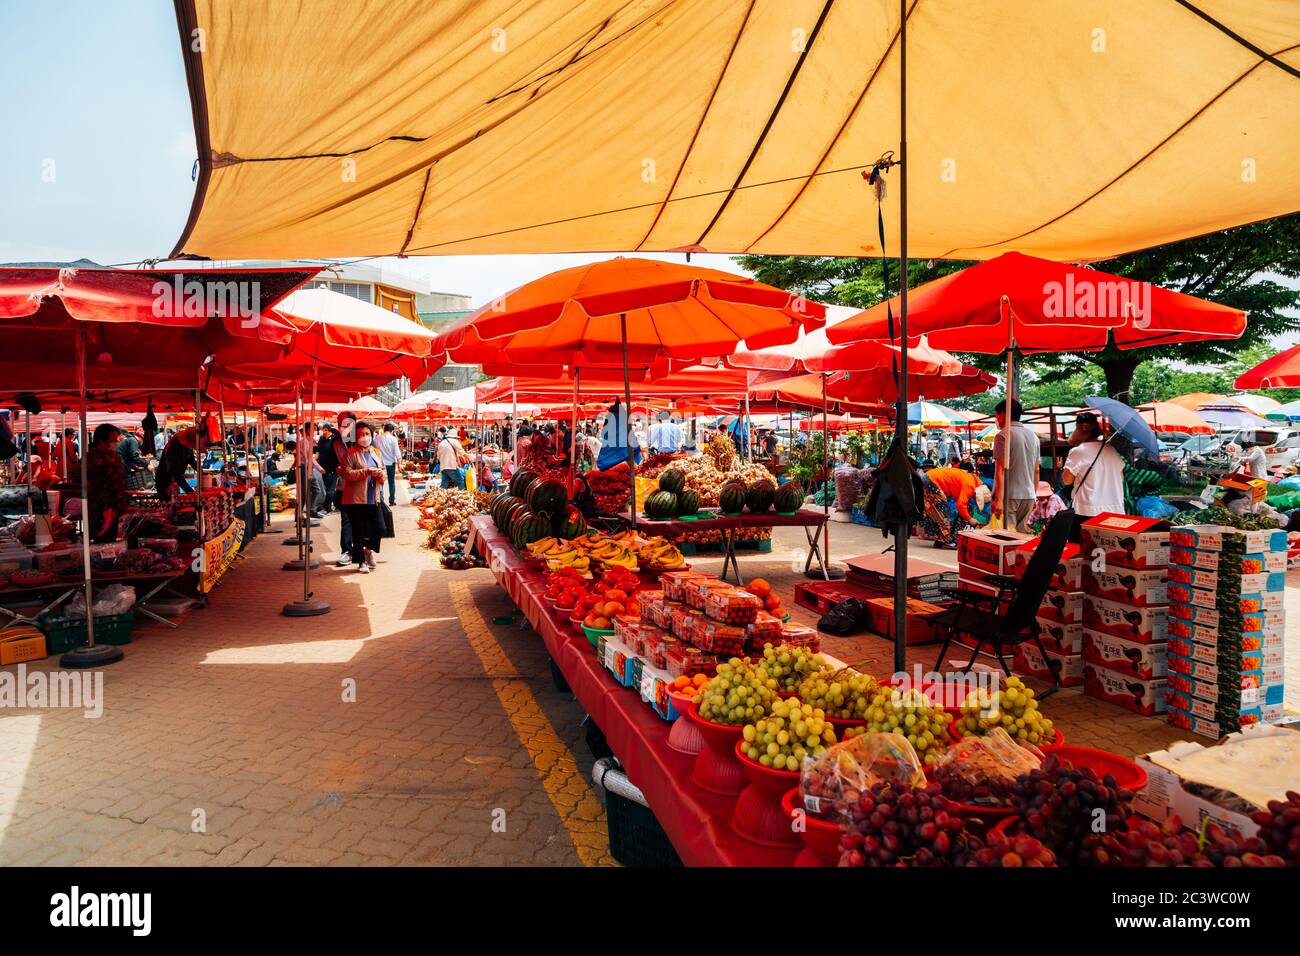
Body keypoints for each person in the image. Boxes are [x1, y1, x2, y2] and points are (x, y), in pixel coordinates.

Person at [1062, 411, 1125, 541]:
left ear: (1079, 428)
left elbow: (1067, 481)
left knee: (1081, 552)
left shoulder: (1078, 451)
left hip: (1087, 510)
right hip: (1114, 511)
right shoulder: (1112, 450)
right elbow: (1121, 475)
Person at [339, 421, 385, 573]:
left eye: (367, 434)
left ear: (372, 435)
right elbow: (347, 474)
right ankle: (361, 562)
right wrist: (367, 471)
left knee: (379, 527)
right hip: (356, 499)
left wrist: (380, 475)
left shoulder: (375, 452)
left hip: (374, 497)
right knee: (358, 531)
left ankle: (368, 550)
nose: (364, 437)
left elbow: (382, 470)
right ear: (355, 437)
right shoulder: (350, 453)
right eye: (361, 435)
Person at [992, 399, 1040, 532]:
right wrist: (1034, 496)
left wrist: (999, 499)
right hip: (1029, 496)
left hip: (1009, 496)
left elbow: (1000, 471)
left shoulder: (1002, 435)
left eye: (996, 416)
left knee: (1007, 537)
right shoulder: (1034, 437)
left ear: (1002, 415)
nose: (996, 420)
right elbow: (1036, 470)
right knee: (1021, 538)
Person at [921, 464, 984, 548]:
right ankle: (946, 540)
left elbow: (962, 503)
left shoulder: (970, 480)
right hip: (932, 480)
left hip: (930, 479)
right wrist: (970, 519)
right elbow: (961, 505)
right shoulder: (970, 486)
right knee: (941, 511)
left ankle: (942, 540)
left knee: (937, 511)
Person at [86, 424, 128, 543]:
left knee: (106, 540)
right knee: (104, 542)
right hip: (103, 508)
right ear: (102, 440)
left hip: (108, 507)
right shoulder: (97, 458)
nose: (116, 443)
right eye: (113, 440)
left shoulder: (112, 456)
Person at [597, 399, 641, 470]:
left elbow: (605, 435)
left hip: (613, 460)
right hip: (625, 457)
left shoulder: (610, 419)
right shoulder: (622, 419)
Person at [155, 426, 199, 499]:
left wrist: (201, 471)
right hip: (165, 480)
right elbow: (176, 473)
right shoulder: (173, 447)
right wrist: (190, 492)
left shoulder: (187, 447)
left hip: (176, 480)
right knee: (168, 505)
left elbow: (192, 461)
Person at [316, 424, 340, 513]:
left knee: (330, 490)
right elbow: (318, 452)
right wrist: (313, 462)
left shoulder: (334, 439)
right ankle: (335, 505)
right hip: (323, 468)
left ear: (330, 430)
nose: (324, 432)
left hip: (333, 468)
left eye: (326, 430)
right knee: (326, 489)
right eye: (323, 430)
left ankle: (328, 508)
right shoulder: (321, 439)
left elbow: (338, 453)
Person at [377, 422, 401, 506]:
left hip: (380, 463)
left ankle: (381, 501)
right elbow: (397, 452)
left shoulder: (377, 438)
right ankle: (391, 501)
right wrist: (399, 464)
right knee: (391, 482)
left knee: (380, 482)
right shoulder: (393, 439)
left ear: (384, 429)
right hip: (391, 463)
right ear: (392, 431)